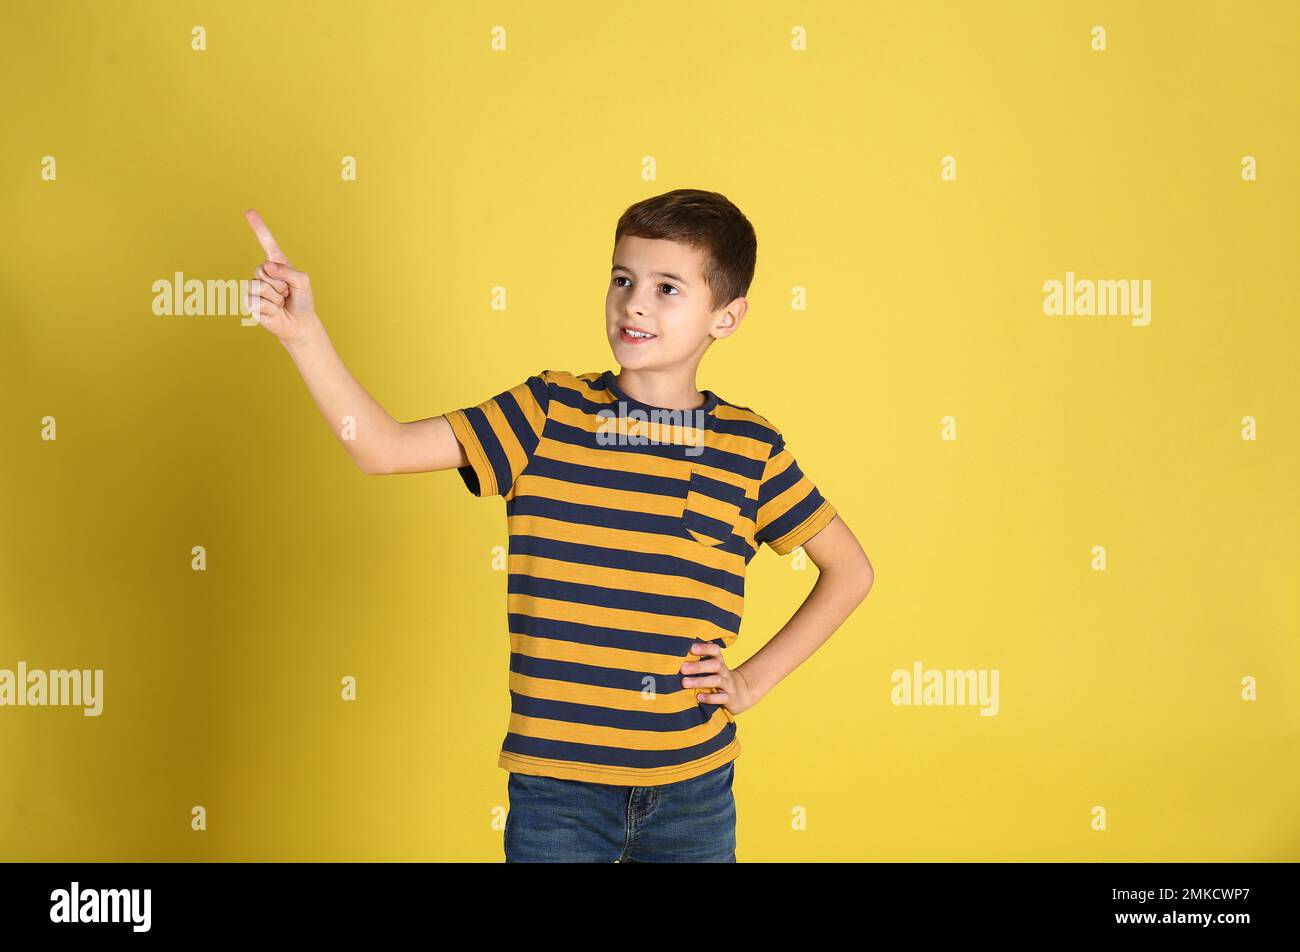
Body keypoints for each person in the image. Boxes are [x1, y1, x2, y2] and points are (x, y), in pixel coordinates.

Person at [243, 188, 875, 862]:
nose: (634, 302)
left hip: (694, 790)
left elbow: (850, 572)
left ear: (726, 317)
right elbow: (383, 448)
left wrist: (750, 681)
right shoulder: (546, 413)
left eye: (667, 288)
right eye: (623, 279)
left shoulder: (750, 447)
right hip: (558, 794)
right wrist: (305, 334)